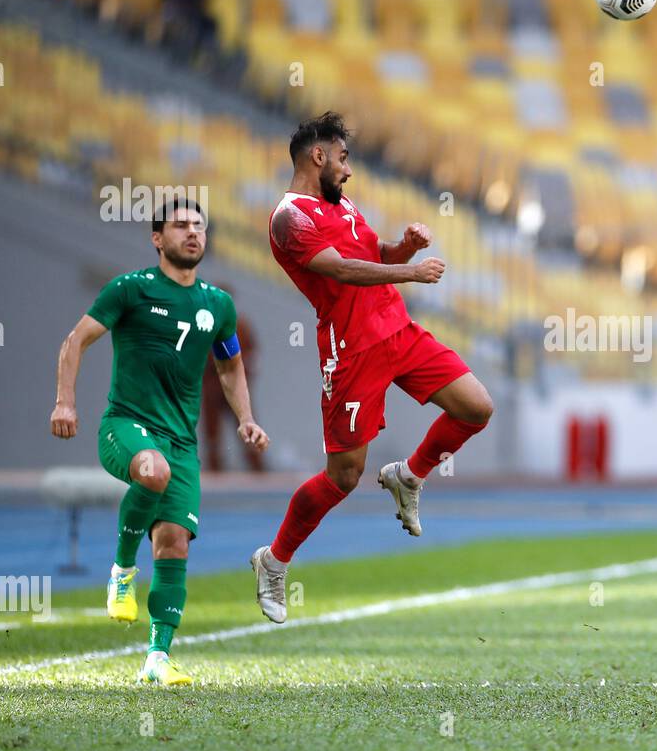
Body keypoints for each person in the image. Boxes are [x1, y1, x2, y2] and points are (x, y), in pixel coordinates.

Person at [251, 112, 493, 624]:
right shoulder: (288, 219)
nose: (348, 170)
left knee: (476, 407)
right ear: (318, 156)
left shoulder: (342, 204)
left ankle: (409, 475)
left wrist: (406, 247)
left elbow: (372, 253)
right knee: (343, 477)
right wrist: (410, 271)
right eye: (342, 159)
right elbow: (340, 269)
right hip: (351, 349)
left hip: (398, 330)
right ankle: (274, 560)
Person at [49, 198, 269, 685]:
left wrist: (246, 418)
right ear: (156, 238)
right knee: (153, 470)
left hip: (181, 444)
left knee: (173, 544)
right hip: (125, 426)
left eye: (199, 225)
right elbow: (75, 340)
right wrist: (65, 402)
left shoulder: (218, 305)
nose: (192, 232)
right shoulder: (129, 289)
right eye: (180, 225)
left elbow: (230, 365)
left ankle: (157, 656)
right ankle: (122, 571)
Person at [202, 311, 264, 472]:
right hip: (214, 389)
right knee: (212, 434)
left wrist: (245, 377)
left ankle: (257, 465)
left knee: (247, 426)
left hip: (234, 390)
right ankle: (215, 467)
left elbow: (251, 356)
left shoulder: (240, 327)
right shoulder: (206, 326)